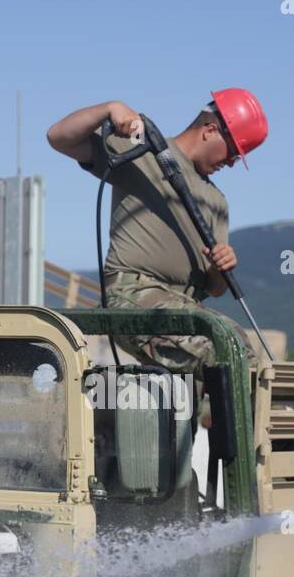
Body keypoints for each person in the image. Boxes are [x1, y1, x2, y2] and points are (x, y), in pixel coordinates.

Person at [46, 91, 268, 421]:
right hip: (134, 295)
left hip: (185, 307)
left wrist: (222, 266)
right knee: (224, 352)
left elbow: (216, 287)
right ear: (210, 129)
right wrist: (110, 108)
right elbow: (59, 137)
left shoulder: (215, 201)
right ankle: (247, 438)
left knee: (236, 352)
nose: (232, 162)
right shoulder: (144, 151)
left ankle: (209, 447)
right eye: (234, 150)